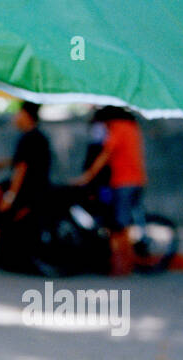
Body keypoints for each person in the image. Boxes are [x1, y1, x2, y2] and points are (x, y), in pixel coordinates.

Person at [0, 102, 52, 279]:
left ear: (27, 116)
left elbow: (21, 169)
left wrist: (10, 196)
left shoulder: (28, 138)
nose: (15, 118)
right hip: (38, 190)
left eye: (18, 114)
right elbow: (18, 161)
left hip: (27, 193)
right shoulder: (38, 137)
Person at [73, 106, 147, 275]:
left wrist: (88, 176)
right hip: (137, 179)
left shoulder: (117, 127)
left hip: (123, 181)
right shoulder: (132, 127)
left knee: (118, 227)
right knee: (124, 225)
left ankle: (121, 267)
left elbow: (106, 153)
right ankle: (126, 265)